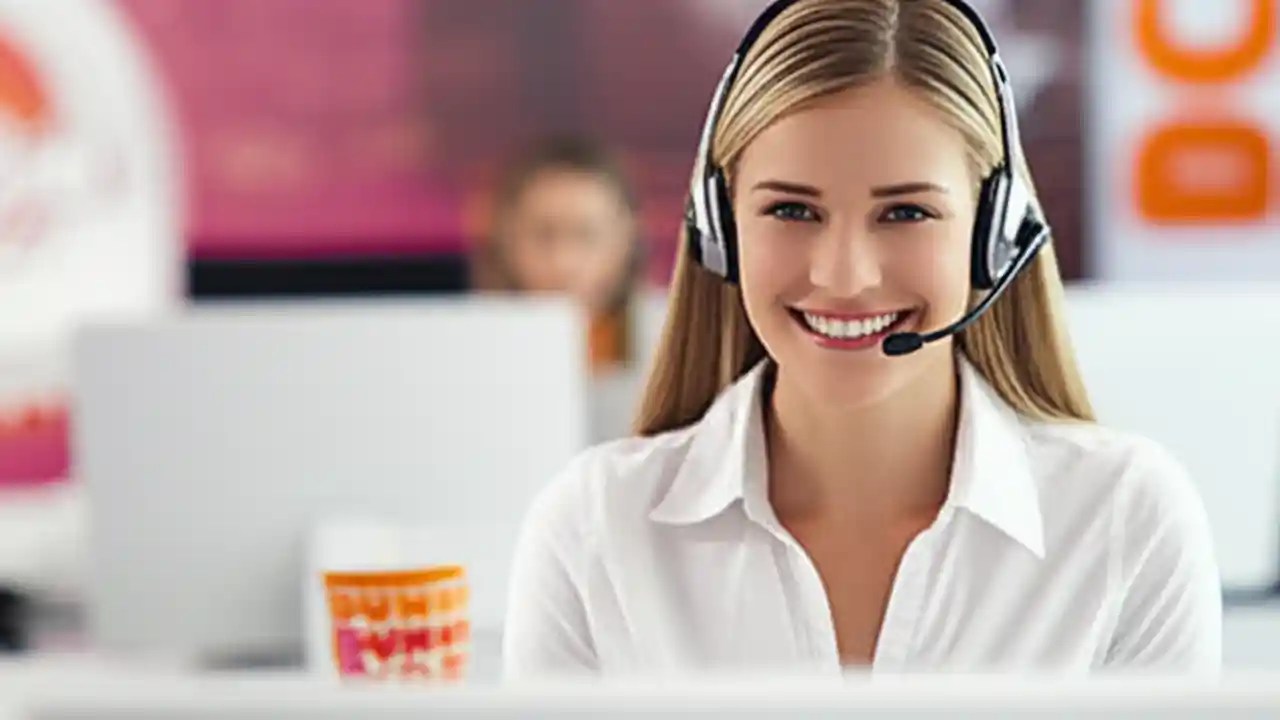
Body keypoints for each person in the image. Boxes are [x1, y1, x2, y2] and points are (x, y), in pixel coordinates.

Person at [502, 0, 1221, 677]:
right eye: (791, 209)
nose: (844, 276)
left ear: (995, 236)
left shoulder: (1125, 519)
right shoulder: (595, 530)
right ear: (718, 229)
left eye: (906, 213)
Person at [472, 136, 644, 373]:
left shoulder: (674, 351)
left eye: (586, 235)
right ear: (506, 237)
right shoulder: (469, 351)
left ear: (626, 239)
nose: (564, 262)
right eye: (543, 235)